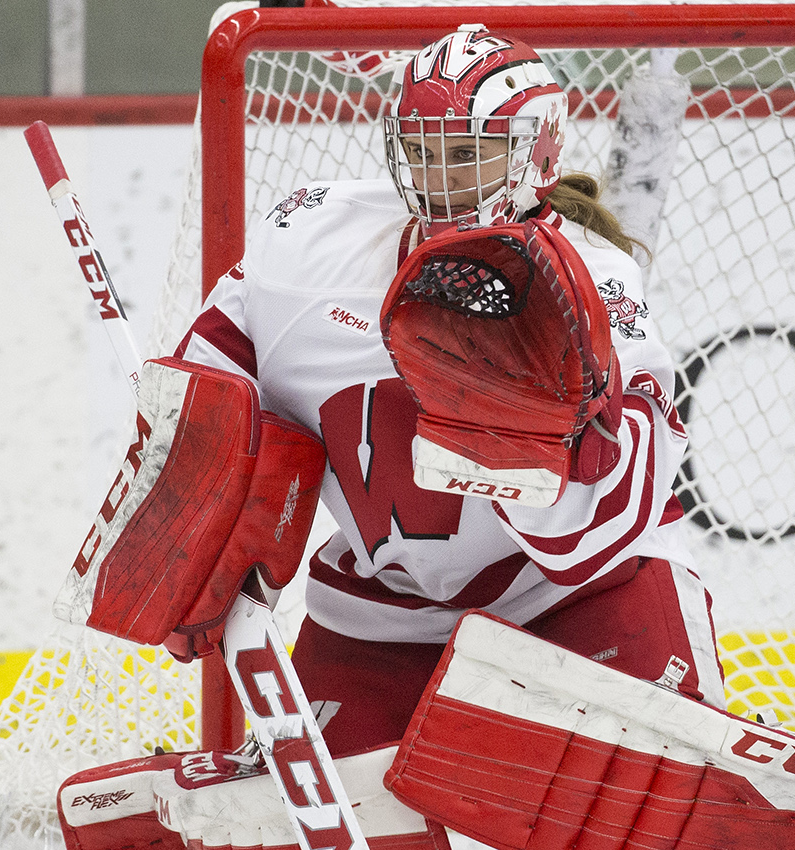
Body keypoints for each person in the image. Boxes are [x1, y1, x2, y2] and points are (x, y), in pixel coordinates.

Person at [170, 23, 724, 757]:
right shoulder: (310, 244)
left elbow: (610, 524)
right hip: (386, 616)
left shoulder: (593, 281)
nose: (441, 179)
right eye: (424, 154)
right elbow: (205, 385)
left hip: (582, 602)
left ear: (537, 155)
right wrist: (194, 504)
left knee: (628, 820)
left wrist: (512, 433)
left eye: (467, 155)